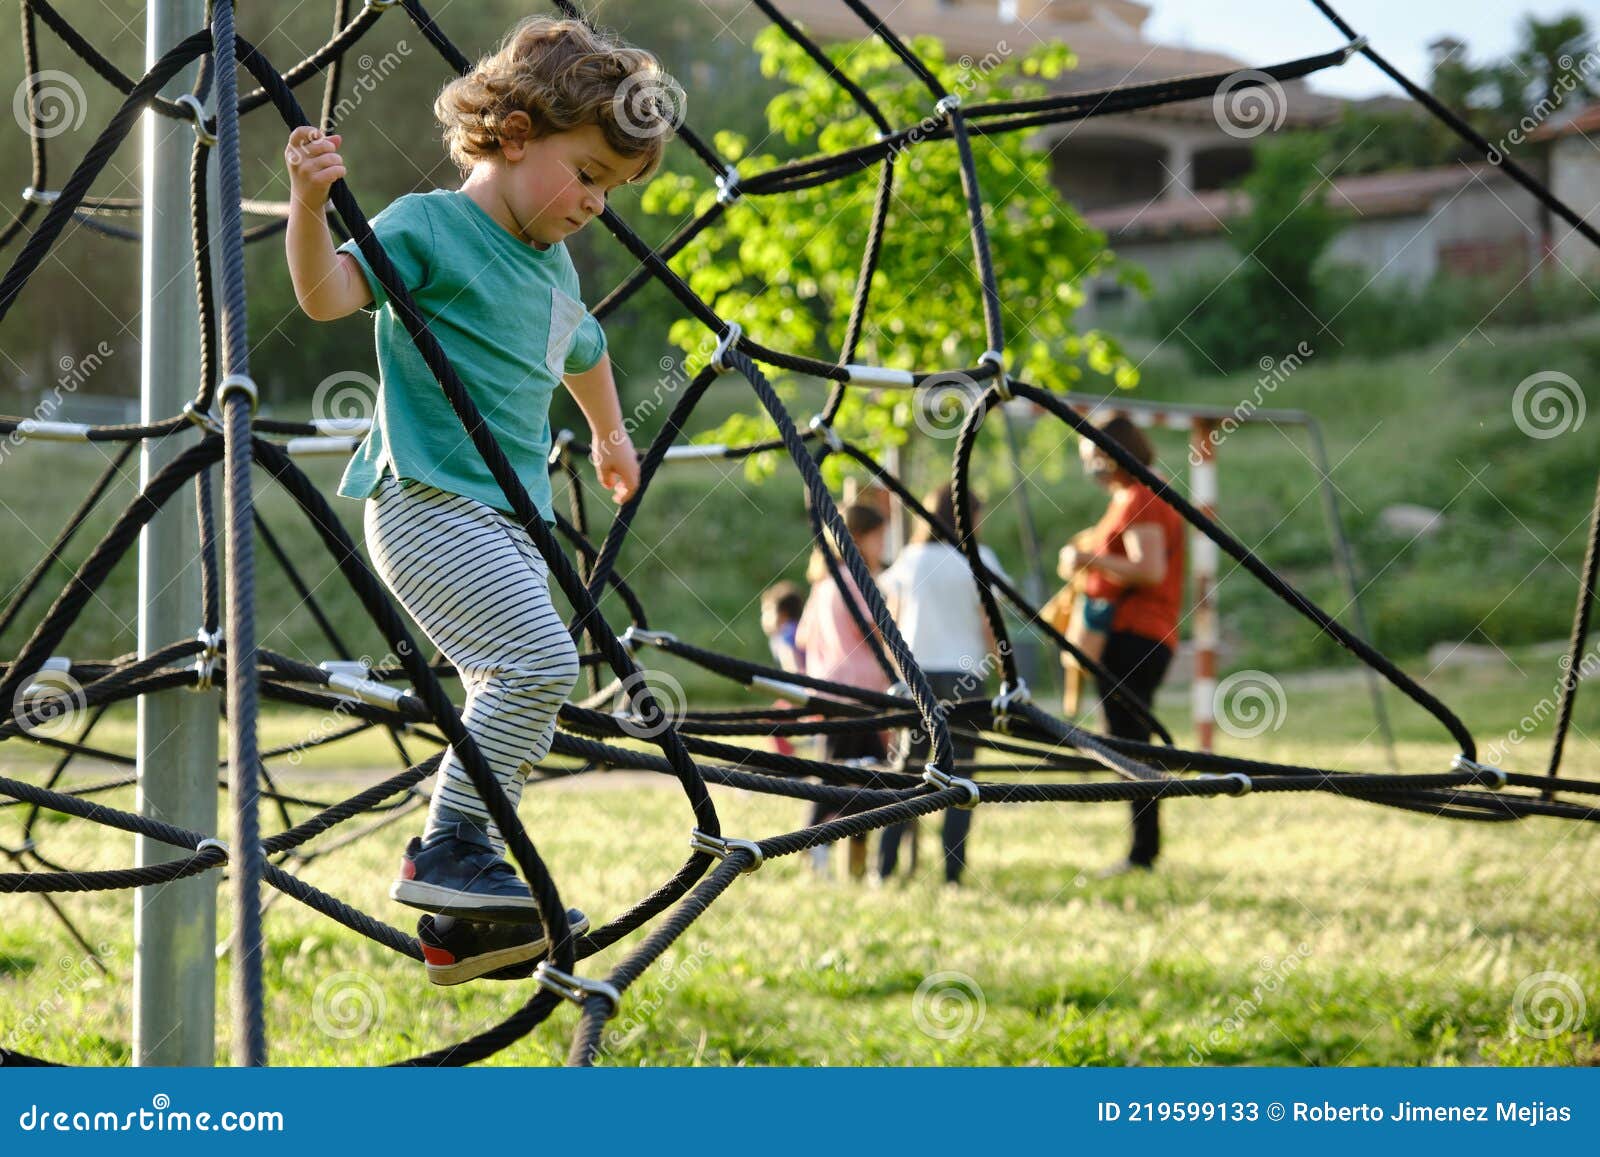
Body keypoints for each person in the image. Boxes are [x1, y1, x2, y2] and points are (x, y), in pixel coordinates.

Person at [284, 16, 667, 983]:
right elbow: (327, 295)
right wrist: (308, 202)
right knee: (534, 665)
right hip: (423, 502)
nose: (593, 204)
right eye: (586, 173)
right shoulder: (427, 226)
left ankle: (463, 923)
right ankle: (447, 848)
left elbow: (589, 352)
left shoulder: (554, 267)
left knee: (527, 683)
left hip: (508, 516)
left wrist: (612, 437)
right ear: (513, 132)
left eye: (611, 192)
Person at [1058, 415, 1184, 877]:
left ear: (1112, 452)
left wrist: (1086, 557)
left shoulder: (1140, 497)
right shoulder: (1135, 496)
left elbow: (1148, 568)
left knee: (1130, 747)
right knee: (1130, 743)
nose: (1090, 467)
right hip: (1138, 633)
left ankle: (1142, 852)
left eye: (1093, 456)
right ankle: (1142, 847)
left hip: (1136, 633)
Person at [876, 485, 1008, 887]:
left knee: (906, 774)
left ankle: (884, 870)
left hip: (916, 677)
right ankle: (952, 874)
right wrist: (1008, 677)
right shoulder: (978, 560)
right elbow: (991, 626)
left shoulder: (909, 561)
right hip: (964, 677)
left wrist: (893, 672)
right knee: (961, 776)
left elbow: (890, 623)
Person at [795, 504, 891, 881]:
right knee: (866, 777)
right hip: (859, 691)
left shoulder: (823, 584)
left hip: (827, 687)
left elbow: (803, 637)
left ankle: (841, 854)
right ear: (861, 538)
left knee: (840, 774)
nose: (883, 545)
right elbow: (879, 630)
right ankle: (817, 844)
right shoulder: (856, 580)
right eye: (879, 537)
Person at [760, 581, 806, 757]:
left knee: (769, 721)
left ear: (782, 614)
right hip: (805, 687)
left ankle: (787, 760)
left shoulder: (785, 634)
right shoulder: (795, 629)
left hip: (799, 690)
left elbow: (793, 668)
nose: (763, 617)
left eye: (766, 611)